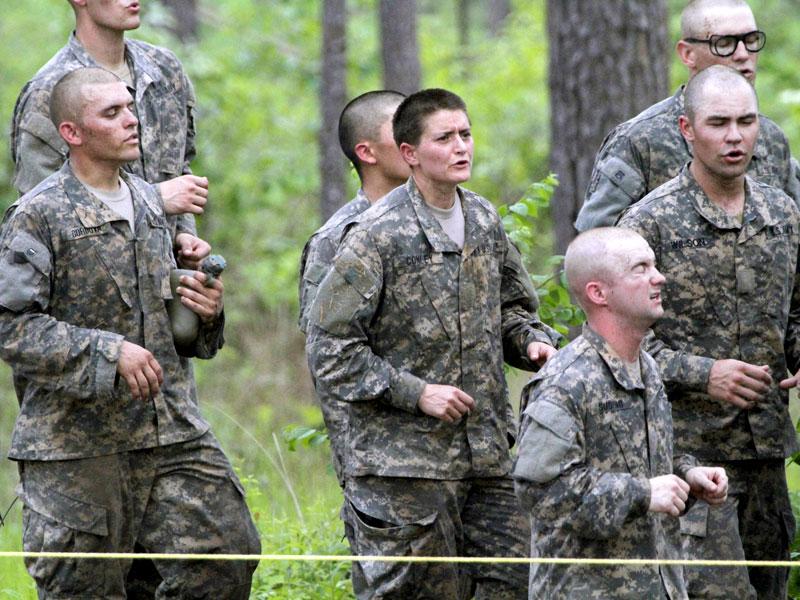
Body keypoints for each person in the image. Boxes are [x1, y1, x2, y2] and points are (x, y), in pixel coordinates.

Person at [0, 68, 260, 599]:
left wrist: (205, 312)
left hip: (171, 430)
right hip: (79, 446)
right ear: (72, 133)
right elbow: (11, 325)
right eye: (111, 113)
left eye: (130, 107)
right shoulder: (38, 215)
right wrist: (107, 351)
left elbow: (173, 329)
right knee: (87, 590)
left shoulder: (148, 204)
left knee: (226, 558)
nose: (131, 120)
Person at [305, 88, 561, 599]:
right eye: (444, 138)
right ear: (410, 154)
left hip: (485, 456)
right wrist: (415, 392)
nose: (461, 147)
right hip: (403, 469)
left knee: (519, 581)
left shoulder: (484, 219)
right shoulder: (374, 234)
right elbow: (329, 349)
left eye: (466, 134)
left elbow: (511, 309)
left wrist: (533, 343)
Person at [618, 65, 800, 599]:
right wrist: (704, 374)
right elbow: (619, 342)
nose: (735, 136)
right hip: (691, 459)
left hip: (766, 448)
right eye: (718, 122)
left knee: (770, 589)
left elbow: (795, 313)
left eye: (746, 121)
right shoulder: (647, 223)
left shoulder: (782, 213)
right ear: (686, 130)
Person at [513, 227, 728, 600]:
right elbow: (540, 491)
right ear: (599, 293)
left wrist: (686, 474)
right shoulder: (566, 380)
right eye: (640, 268)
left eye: (654, 265)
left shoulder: (647, 368)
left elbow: (643, 463)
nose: (658, 277)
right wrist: (642, 493)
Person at [10, 0, 210, 269]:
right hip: (91, 289)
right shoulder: (49, 92)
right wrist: (154, 200)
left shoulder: (164, 70)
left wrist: (184, 234)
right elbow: (38, 218)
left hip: (163, 285)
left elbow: (178, 168)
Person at [576, 0, 799, 231]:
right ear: (688, 54)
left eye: (751, 41)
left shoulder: (771, 139)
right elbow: (596, 245)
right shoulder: (641, 141)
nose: (743, 54)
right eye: (725, 44)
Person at [299, 90, 410, 485]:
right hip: (385, 459)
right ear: (368, 152)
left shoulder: (459, 219)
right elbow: (328, 357)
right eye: (400, 127)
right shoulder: (337, 239)